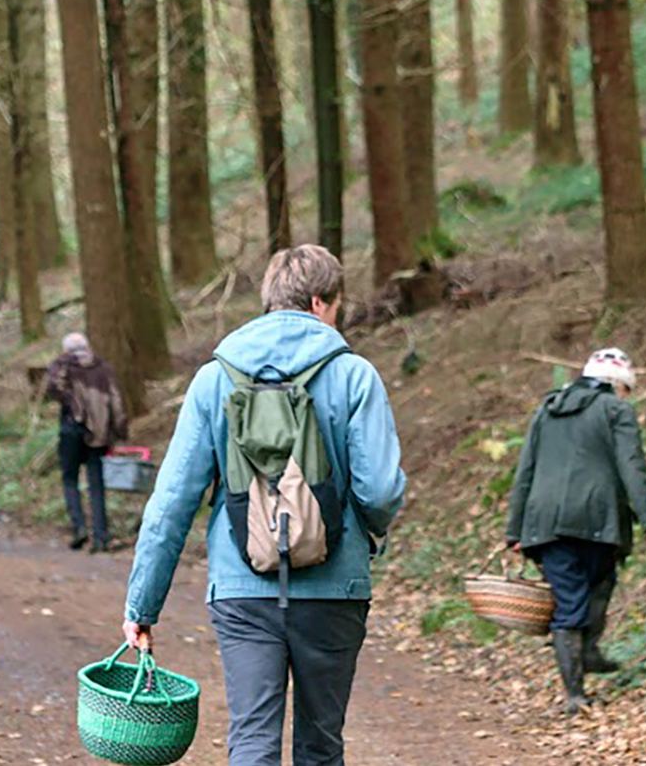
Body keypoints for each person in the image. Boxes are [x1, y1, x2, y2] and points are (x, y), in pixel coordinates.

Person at [123, 245, 406, 766]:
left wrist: (142, 606)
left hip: (241, 589)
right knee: (321, 743)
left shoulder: (215, 378)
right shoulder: (354, 376)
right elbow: (381, 491)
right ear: (321, 302)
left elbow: (171, 502)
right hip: (334, 589)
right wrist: (366, 534)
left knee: (252, 738)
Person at [505, 348, 646, 716]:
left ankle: (582, 665)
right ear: (620, 385)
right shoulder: (616, 410)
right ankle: (576, 691)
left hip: (545, 523)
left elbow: (525, 471)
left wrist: (514, 529)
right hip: (598, 519)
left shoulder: (546, 410)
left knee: (575, 595)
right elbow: (632, 467)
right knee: (587, 594)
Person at [45, 332, 128, 552]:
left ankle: (79, 527)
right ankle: (101, 535)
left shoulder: (62, 365)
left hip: (71, 430)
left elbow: (51, 390)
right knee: (96, 483)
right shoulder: (103, 368)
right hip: (99, 434)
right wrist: (119, 431)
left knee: (70, 478)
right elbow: (116, 402)